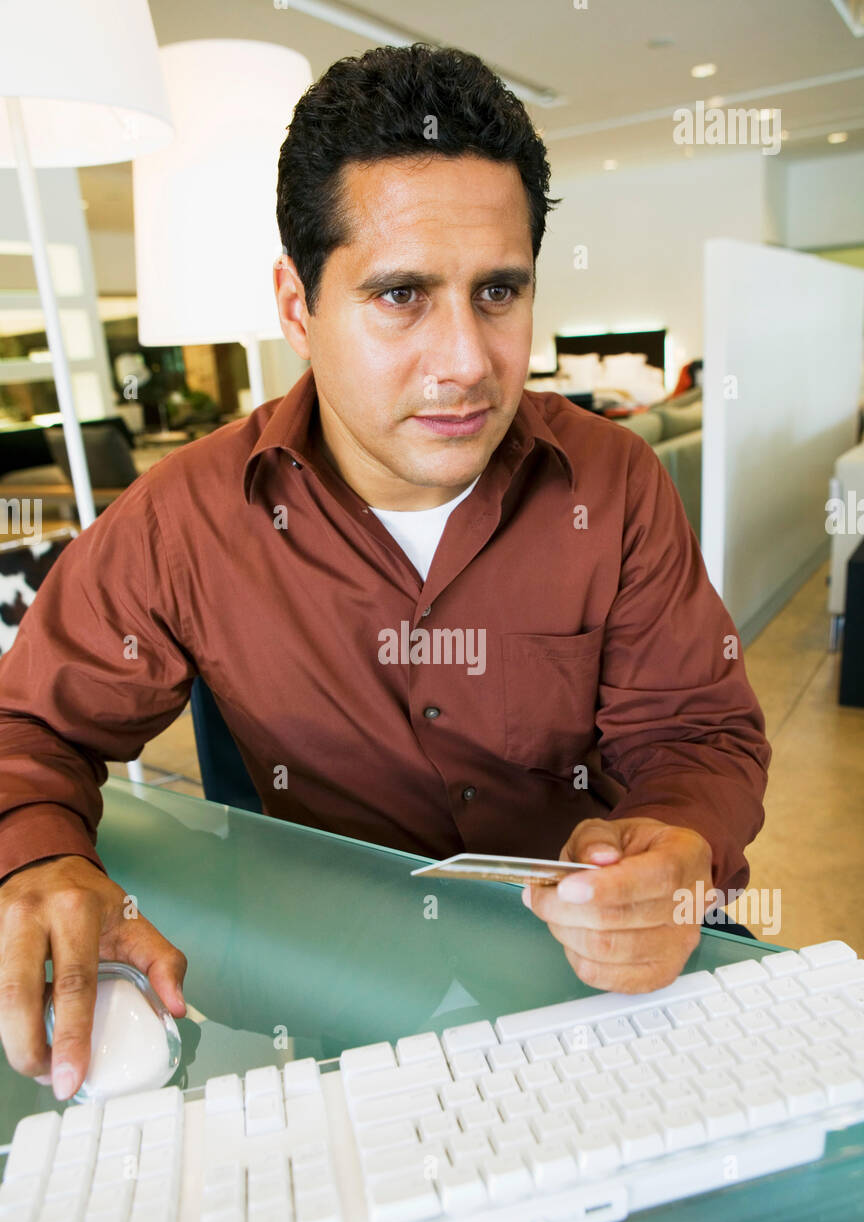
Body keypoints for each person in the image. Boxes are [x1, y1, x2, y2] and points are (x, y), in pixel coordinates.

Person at [0, 45, 770, 1101]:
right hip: (327, 1009)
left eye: (498, 291)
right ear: (294, 302)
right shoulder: (187, 518)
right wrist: (39, 856)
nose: (464, 359)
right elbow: (31, 724)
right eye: (401, 295)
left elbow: (699, 731)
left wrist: (679, 845)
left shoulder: (614, 482)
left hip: (588, 992)